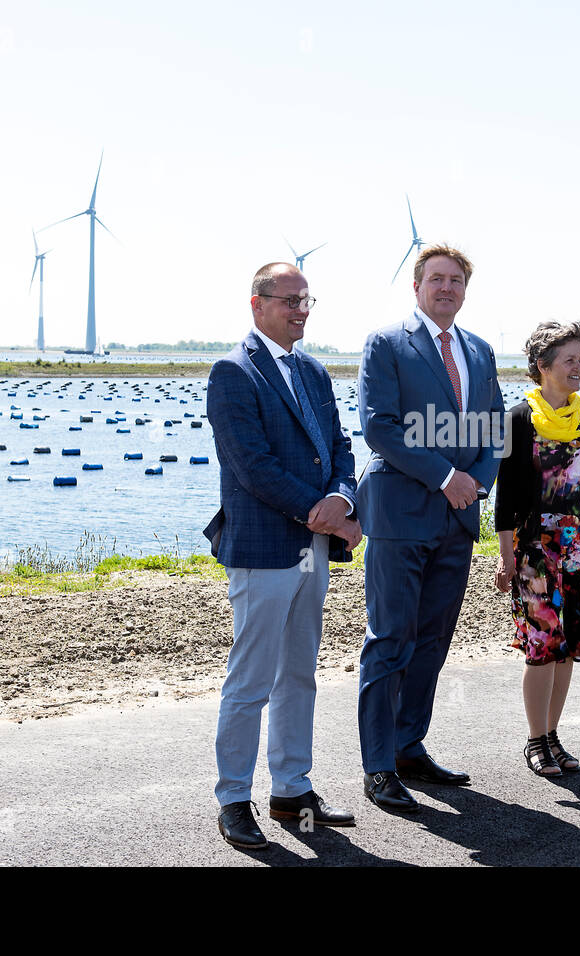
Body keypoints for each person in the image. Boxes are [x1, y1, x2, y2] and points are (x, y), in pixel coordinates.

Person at [203, 262, 362, 850]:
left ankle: (292, 789)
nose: (301, 309)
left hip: (313, 549)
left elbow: (341, 448)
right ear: (257, 304)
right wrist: (319, 512)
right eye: (290, 299)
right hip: (264, 549)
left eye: (307, 299)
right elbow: (252, 467)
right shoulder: (232, 373)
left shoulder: (314, 372)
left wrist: (344, 498)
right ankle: (233, 798)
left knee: (299, 674)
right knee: (251, 679)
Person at [355, 244, 506, 812]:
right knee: (390, 638)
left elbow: (496, 429)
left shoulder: (480, 350)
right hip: (399, 515)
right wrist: (447, 476)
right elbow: (380, 428)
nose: (447, 288)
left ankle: (408, 745)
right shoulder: (387, 344)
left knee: (432, 642)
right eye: (437, 279)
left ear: (466, 290)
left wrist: (476, 483)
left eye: (456, 281)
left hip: (457, 519)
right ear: (417, 285)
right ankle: (377, 766)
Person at [494, 321, 580, 777]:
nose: (578, 368)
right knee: (541, 646)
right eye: (570, 360)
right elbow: (505, 499)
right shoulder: (518, 420)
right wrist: (505, 558)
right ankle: (534, 740)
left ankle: (554, 736)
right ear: (543, 366)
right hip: (535, 552)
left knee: (568, 647)